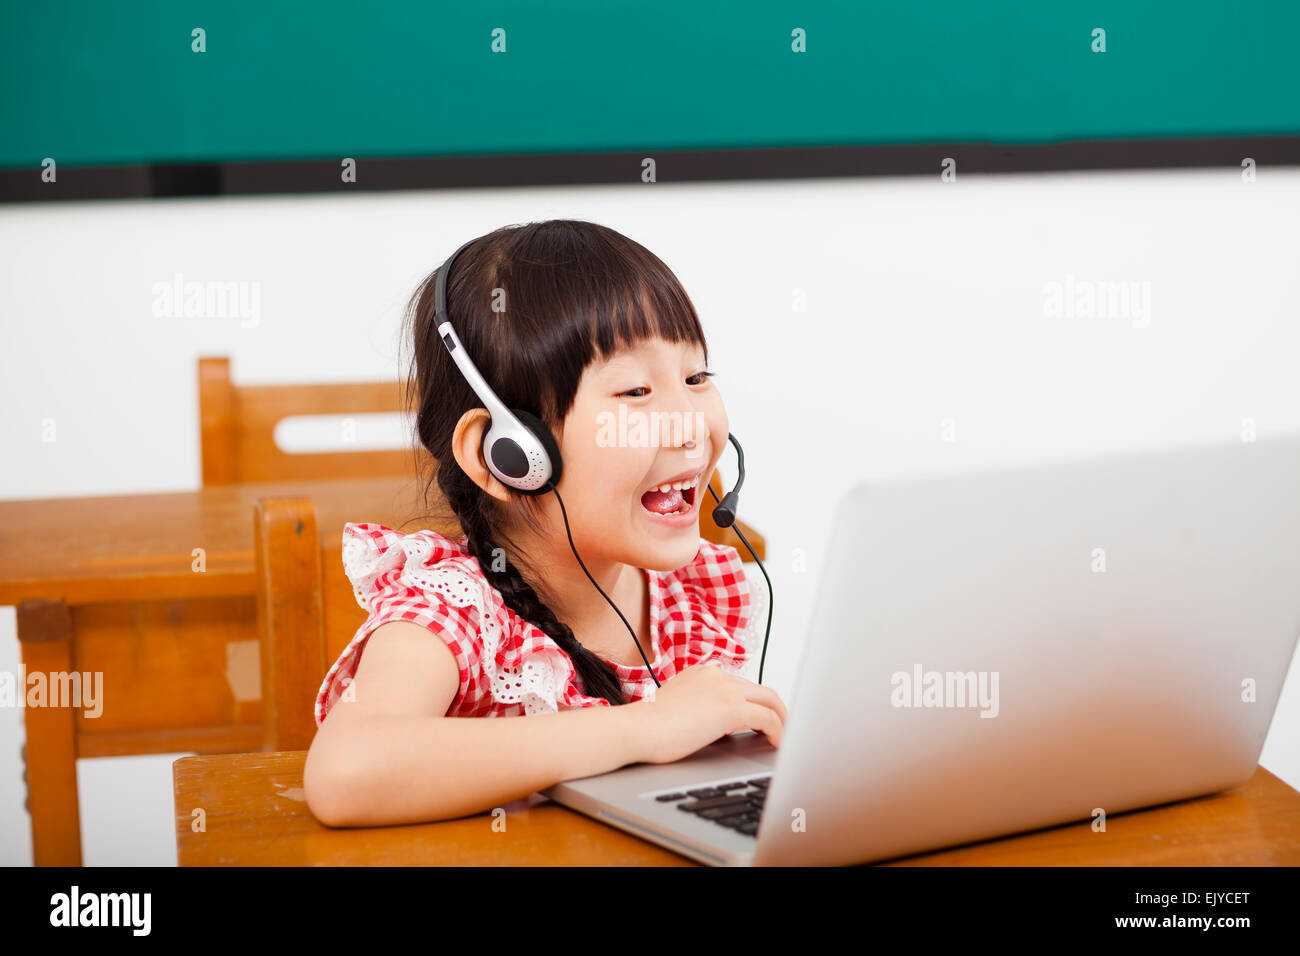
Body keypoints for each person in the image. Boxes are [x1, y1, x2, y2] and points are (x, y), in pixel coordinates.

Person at [304, 219, 787, 828]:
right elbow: (347, 774)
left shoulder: (690, 594)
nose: (690, 425)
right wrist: (641, 728)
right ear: (509, 454)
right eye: (635, 392)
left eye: (696, 379)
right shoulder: (455, 611)